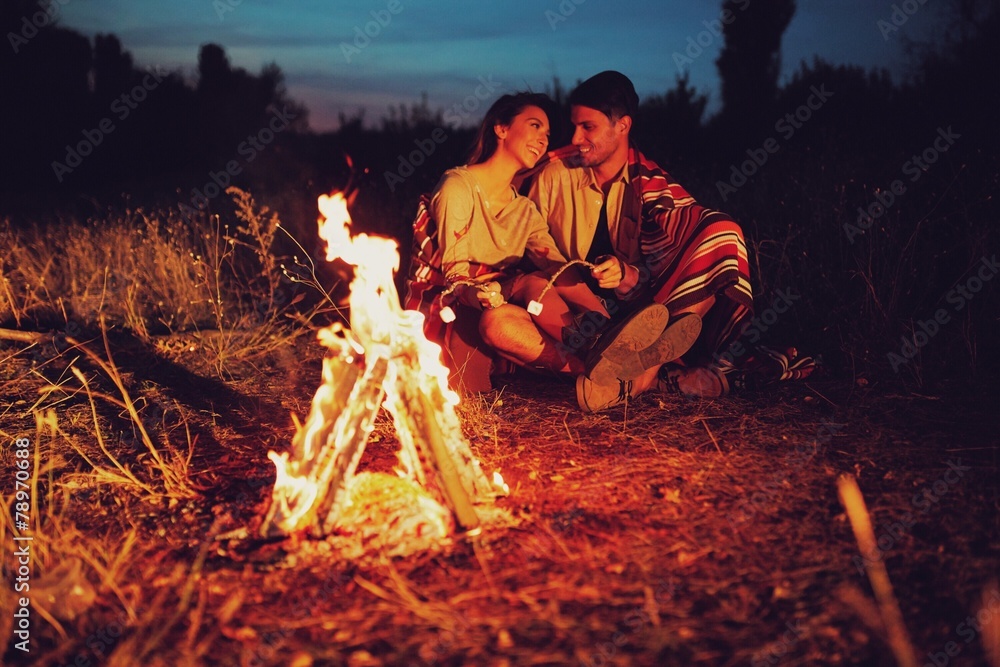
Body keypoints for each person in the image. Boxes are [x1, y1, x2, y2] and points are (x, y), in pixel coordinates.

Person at [525, 71, 814, 412]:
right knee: (504, 323)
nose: (575, 137)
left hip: (643, 315)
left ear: (623, 125)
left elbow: (671, 263)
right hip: (576, 314)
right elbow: (531, 239)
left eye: (587, 127)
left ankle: (644, 372)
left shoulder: (650, 185)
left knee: (721, 231)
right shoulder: (554, 175)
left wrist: (627, 274)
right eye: (573, 125)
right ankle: (638, 373)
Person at [404, 92, 654, 392]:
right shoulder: (458, 187)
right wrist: (481, 294)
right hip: (453, 303)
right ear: (501, 128)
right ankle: (600, 375)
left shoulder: (523, 210)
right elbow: (455, 276)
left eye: (547, 134)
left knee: (538, 282)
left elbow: (558, 267)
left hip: (496, 301)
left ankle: (609, 338)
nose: (543, 139)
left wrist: (603, 292)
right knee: (475, 366)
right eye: (535, 126)